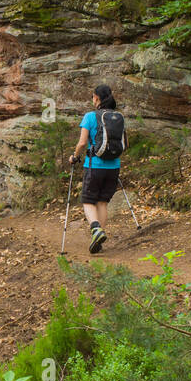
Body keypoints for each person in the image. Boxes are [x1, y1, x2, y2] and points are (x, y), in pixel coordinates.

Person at [70, 84, 123, 254]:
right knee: (102, 202)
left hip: (94, 165)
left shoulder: (90, 117)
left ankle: (95, 229)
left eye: (93, 96)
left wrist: (75, 156)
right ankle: (98, 240)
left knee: (88, 200)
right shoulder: (118, 117)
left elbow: (82, 142)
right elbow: (125, 144)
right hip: (114, 166)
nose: (92, 99)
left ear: (97, 98)